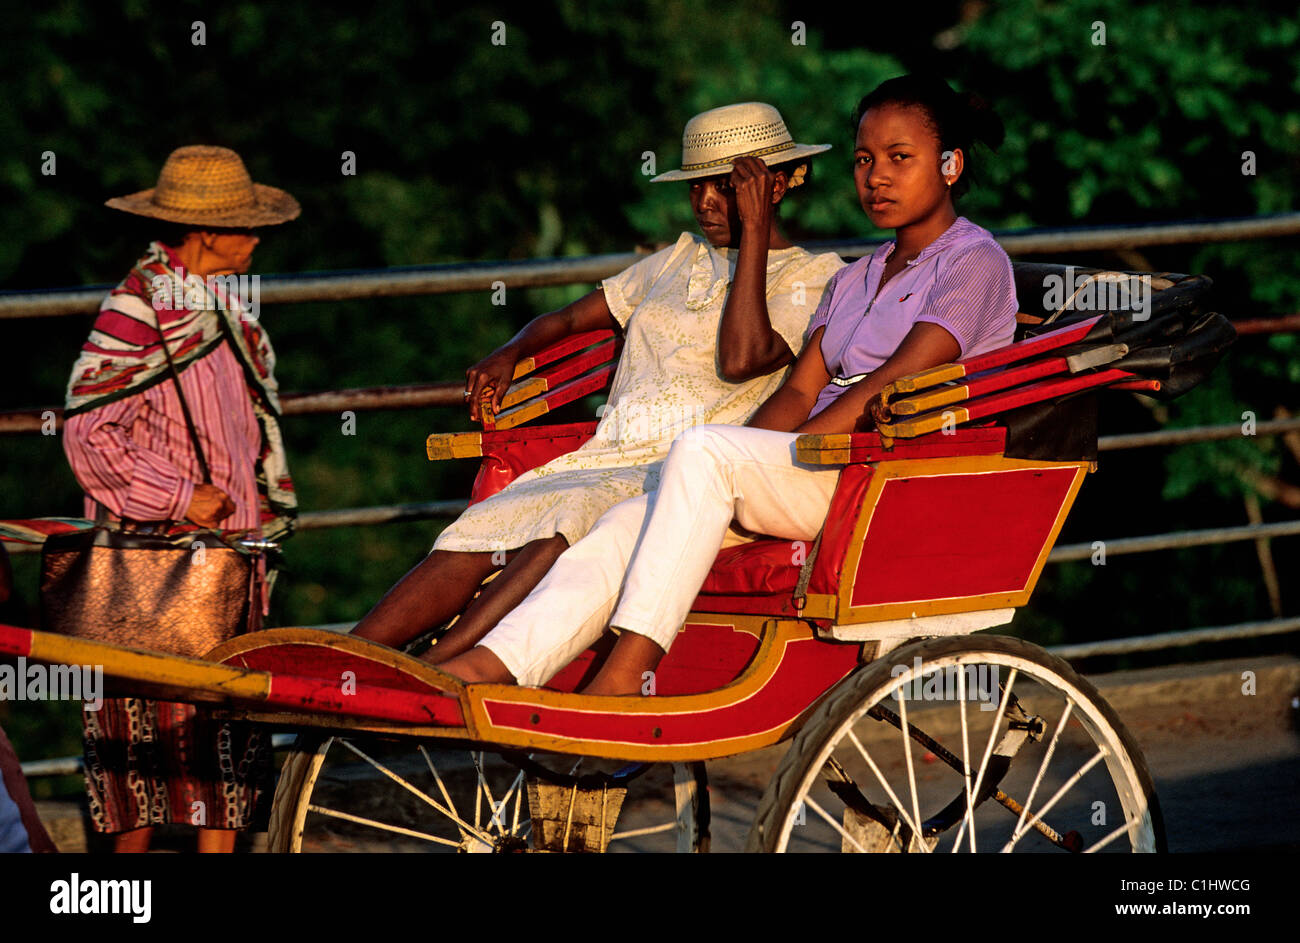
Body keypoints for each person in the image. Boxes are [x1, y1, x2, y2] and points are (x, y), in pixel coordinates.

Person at [440, 75, 1018, 693]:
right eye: (863, 160)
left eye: (900, 159)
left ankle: (626, 675)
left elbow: (894, 379)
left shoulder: (973, 262)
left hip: (878, 476)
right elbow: (798, 390)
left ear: (951, 165)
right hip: (815, 469)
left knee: (700, 451)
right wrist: (746, 452)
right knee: (626, 521)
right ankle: (490, 666)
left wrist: (771, 454)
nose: (876, 177)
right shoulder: (860, 276)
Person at [351, 102, 844, 662]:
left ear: (772, 187)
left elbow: (742, 356)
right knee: (479, 529)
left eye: (726, 187)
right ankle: (348, 658)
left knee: (568, 518)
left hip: (684, 471)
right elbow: (566, 319)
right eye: (695, 187)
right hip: (607, 452)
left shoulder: (816, 278)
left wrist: (753, 232)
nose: (706, 202)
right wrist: (510, 351)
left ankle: (437, 666)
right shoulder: (675, 260)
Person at [61, 145, 299, 851]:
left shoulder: (221, 309)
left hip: (227, 563)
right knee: (139, 744)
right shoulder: (136, 312)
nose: (256, 237)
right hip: (149, 565)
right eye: (243, 226)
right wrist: (178, 495)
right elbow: (87, 434)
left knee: (220, 739)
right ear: (205, 235)